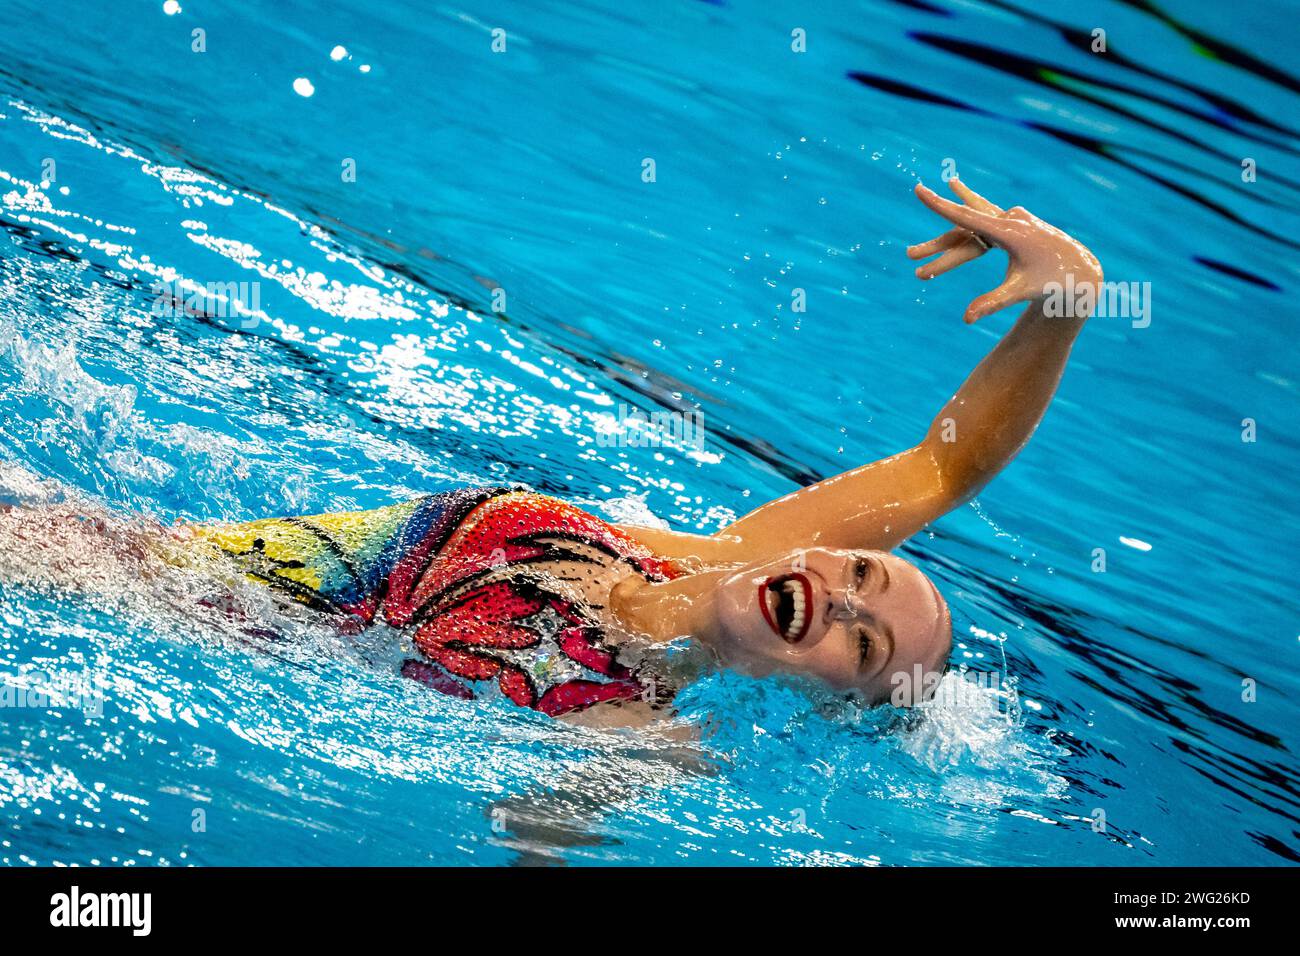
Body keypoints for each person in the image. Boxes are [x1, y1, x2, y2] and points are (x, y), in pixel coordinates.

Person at [176, 177, 1102, 719]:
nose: (840, 605)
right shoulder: (739, 553)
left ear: (822, 708)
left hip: (195, 632)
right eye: (863, 575)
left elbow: (549, 837)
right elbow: (947, 466)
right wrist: (1069, 298)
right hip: (182, 553)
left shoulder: (625, 729)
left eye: (862, 651)